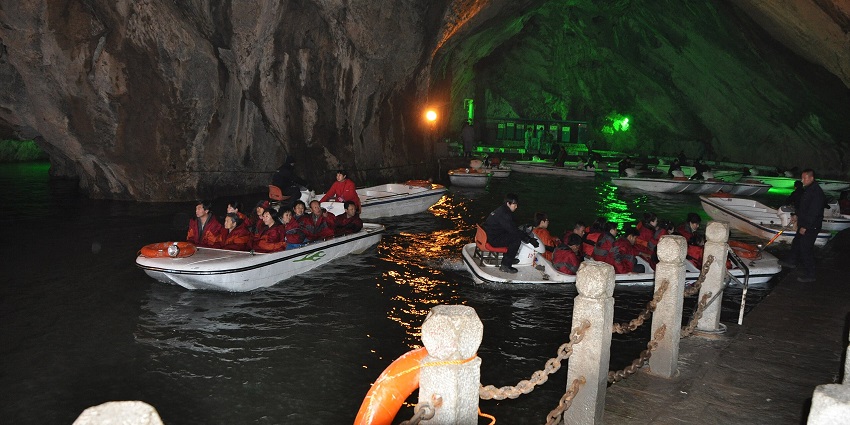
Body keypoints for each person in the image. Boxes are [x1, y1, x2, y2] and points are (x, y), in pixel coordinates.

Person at [780, 169, 826, 282]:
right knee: (796, 242)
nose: (802, 180)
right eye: (802, 178)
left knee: (806, 249)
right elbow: (804, 208)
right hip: (805, 223)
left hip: (811, 226)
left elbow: (814, 212)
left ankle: (810, 274)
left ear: (811, 178)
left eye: (804, 178)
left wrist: (805, 227)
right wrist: (797, 215)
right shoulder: (808, 190)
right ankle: (791, 261)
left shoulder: (816, 192)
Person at [483, 193, 539, 273]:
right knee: (516, 240)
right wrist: (529, 240)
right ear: (508, 203)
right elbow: (514, 231)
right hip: (493, 239)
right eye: (514, 205)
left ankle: (510, 257)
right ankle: (505, 265)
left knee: (513, 236)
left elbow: (511, 227)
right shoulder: (504, 214)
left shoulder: (501, 209)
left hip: (491, 235)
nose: (516, 207)